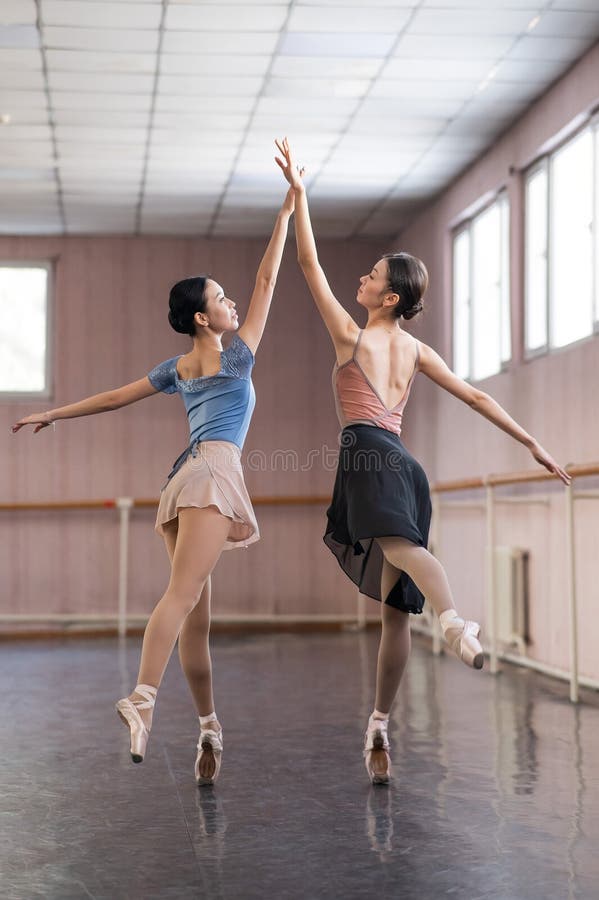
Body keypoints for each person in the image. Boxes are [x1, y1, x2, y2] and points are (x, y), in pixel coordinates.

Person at [274, 137, 570, 785]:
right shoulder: (413, 350)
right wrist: (530, 443)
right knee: (390, 608)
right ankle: (379, 725)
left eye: (373, 275)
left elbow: (306, 262)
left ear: (386, 299)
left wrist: (299, 196)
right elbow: (475, 394)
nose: (363, 277)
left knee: (403, 559)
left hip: (368, 456)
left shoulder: (351, 335)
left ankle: (453, 620)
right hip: (404, 463)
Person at [12, 187, 296, 785]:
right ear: (203, 317)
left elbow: (116, 397)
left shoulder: (178, 367)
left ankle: (209, 730)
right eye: (221, 298)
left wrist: (53, 413)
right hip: (212, 476)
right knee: (181, 599)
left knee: (196, 615)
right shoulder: (236, 358)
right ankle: (142, 698)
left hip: (179, 483)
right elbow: (269, 279)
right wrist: (287, 214)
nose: (233, 300)